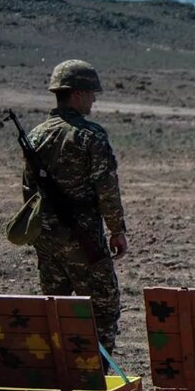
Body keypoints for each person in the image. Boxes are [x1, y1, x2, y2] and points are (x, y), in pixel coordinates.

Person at [24, 59, 127, 353]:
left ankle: (62, 372)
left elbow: (28, 192)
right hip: (82, 239)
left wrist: (40, 233)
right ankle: (98, 373)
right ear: (78, 94)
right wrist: (117, 231)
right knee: (104, 308)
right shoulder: (90, 135)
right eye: (92, 93)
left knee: (55, 308)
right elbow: (107, 189)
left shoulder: (36, 136)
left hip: (46, 239)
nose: (94, 100)